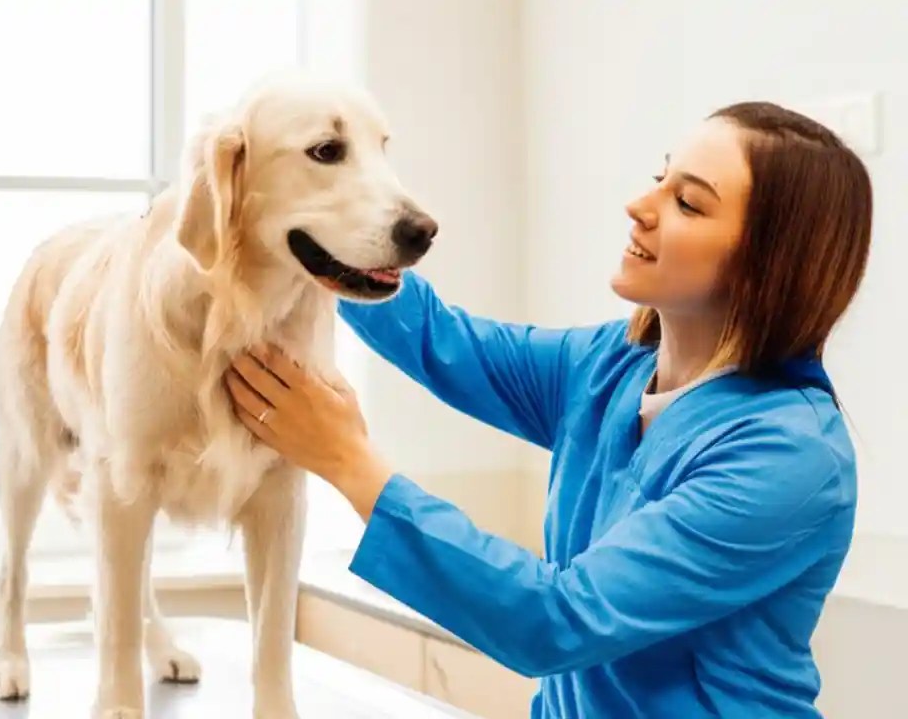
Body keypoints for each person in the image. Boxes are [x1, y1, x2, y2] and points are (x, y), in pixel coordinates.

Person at [223, 101, 873, 718]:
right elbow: (441, 341)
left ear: (765, 266)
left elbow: (556, 622)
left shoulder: (789, 454)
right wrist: (324, 234)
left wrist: (346, 460)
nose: (639, 206)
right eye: (659, 177)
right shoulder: (607, 368)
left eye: (687, 202)